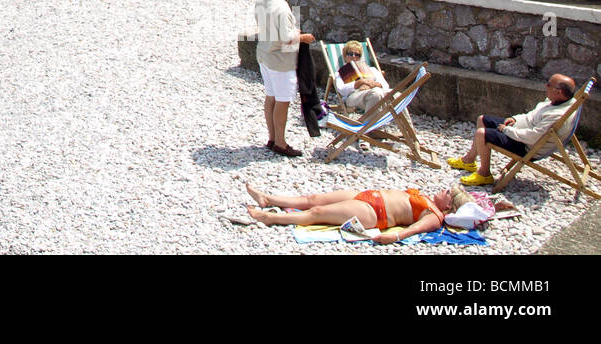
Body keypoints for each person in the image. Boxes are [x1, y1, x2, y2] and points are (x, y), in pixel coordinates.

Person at [448, 74, 576, 186]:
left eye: (549, 84)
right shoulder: (559, 101)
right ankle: (469, 160)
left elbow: (533, 137)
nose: (545, 86)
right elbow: (531, 116)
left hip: (526, 146)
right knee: (482, 119)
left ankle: (484, 173)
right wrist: (515, 119)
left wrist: (506, 131)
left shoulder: (556, 115)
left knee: (481, 134)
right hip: (520, 131)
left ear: (559, 92)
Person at [244, 181, 468, 244]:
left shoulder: (435, 216)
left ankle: (271, 217)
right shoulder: (429, 200)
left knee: (318, 212)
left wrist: (395, 236)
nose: (443, 190)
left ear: (449, 205)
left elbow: (415, 229)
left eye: (448, 192)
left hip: (374, 212)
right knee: (312, 199)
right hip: (368, 195)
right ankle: (268, 199)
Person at [255, 0, 315, 157]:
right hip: (280, 61)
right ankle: (281, 143)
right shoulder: (282, 8)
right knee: (283, 101)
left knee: (270, 97)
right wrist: (303, 37)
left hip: (264, 54)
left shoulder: (261, 1)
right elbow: (285, 37)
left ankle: (272, 138)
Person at [335, 40, 391, 112]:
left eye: (357, 54)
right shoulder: (341, 73)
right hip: (354, 96)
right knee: (375, 95)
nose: (354, 57)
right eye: (350, 54)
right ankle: (370, 123)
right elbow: (341, 90)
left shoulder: (371, 69)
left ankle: (406, 123)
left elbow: (385, 85)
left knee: (395, 94)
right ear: (345, 57)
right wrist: (359, 83)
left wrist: (371, 84)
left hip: (375, 91)